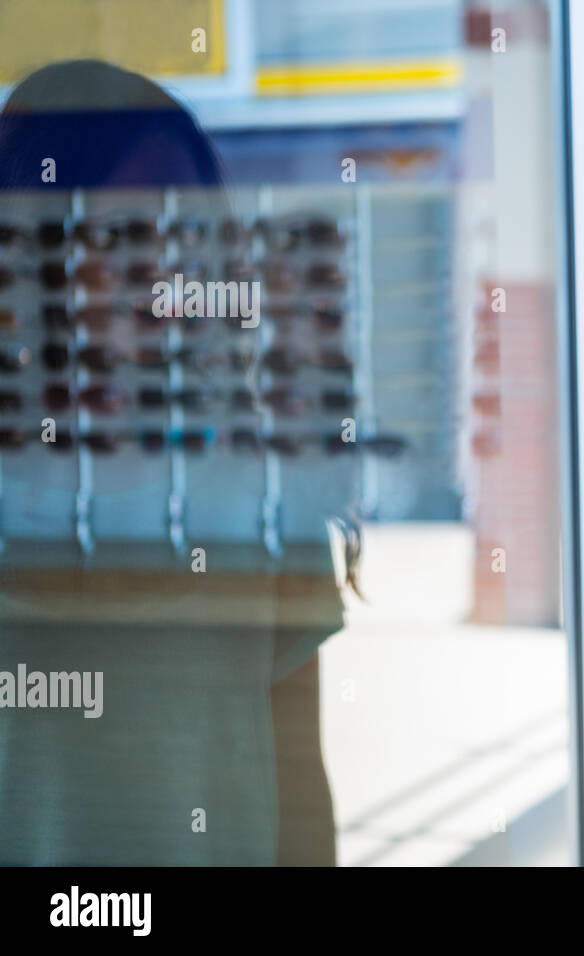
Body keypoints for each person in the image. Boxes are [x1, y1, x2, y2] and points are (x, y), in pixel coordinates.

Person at [0, 59, 359, 865]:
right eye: (122, 232)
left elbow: (299, 793)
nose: (164, 273)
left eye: (186, 232)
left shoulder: (261, 487)